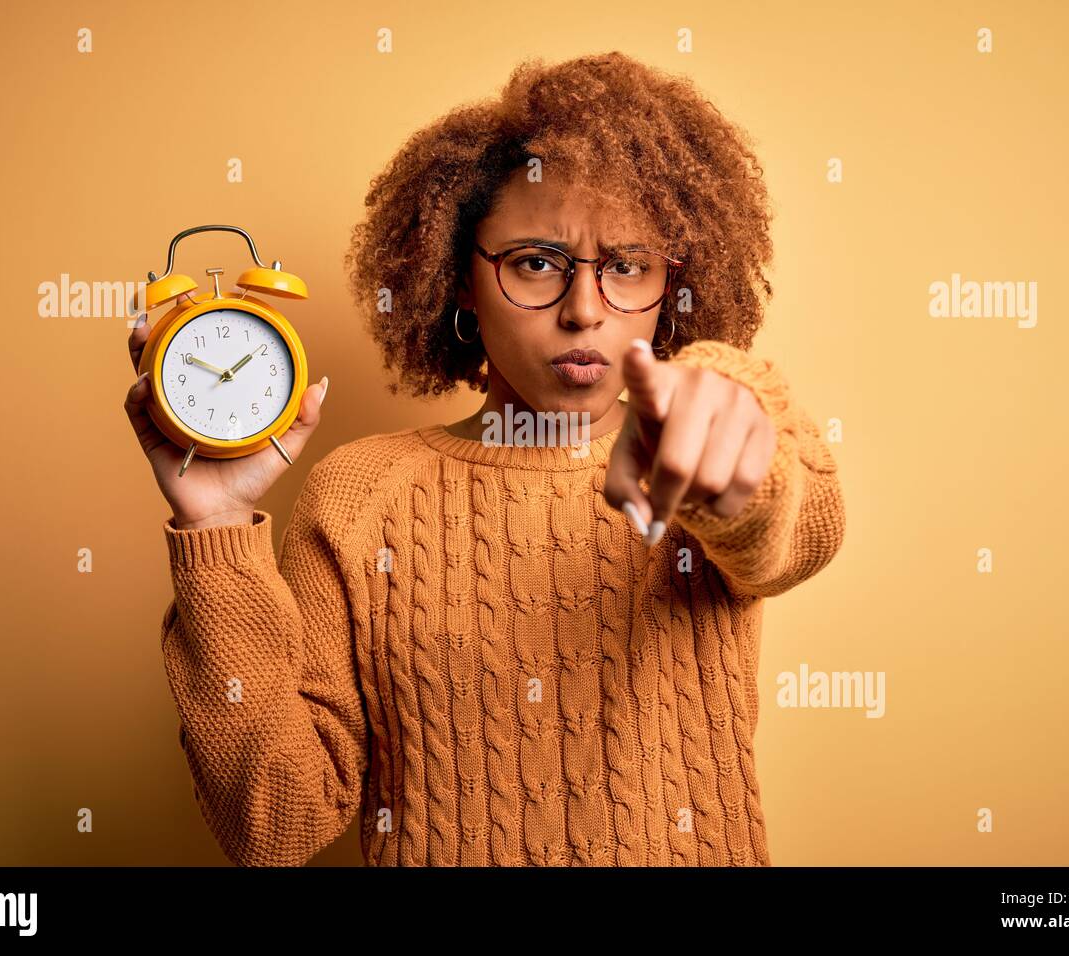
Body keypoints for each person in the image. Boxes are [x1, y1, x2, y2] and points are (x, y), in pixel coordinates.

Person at [123, 51, 845, 867]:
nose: (583, 311)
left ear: (672, 281)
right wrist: (214, 523)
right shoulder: (360, 496)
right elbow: (276, 824)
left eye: (627, 267)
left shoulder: (707, 448)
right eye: (536, 262)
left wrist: (731, 429)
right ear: (459, 278)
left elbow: (796, 528)